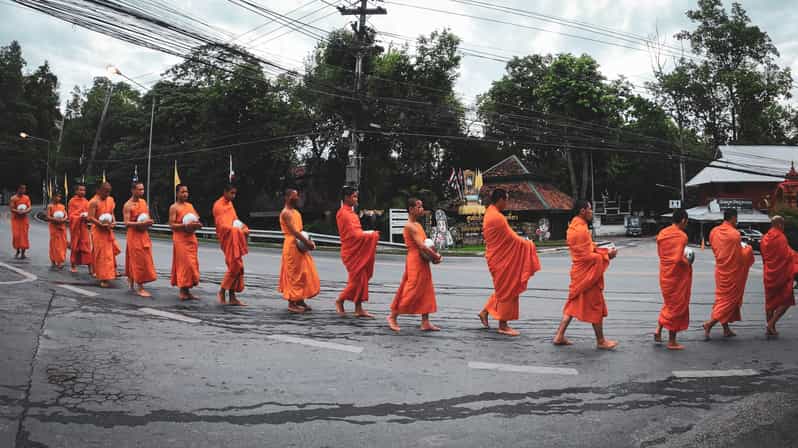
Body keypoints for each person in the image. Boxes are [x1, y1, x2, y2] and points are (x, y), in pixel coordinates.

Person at [553, 200, 619, 350]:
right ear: (582, 211)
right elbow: (589, 257)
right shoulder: (581, 230)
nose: (592, 212)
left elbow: (586, 250)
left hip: (578, 271)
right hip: (587, 273)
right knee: (596, 305)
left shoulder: (573, 227)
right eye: (590, 209)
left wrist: (601, 251)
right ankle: (601, 341)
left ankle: (559, 336)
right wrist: (608, 255)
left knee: (572, 304)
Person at [477, 188, 541, 336]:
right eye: (506, 200)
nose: (507, 203)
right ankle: (503, 324)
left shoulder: (490, 213)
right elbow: (512, 238)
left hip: (496, 257)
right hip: (501, 259)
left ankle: (484, 312)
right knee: (507, 289)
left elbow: (507, 237)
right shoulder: (497, 217)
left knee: (502, 289)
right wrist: (528, 244)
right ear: (500, 200)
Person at [387, 197, 442, 332]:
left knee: (426, 289)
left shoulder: (418, 225)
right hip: (414, 260)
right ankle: (393, 316)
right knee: (411, 290)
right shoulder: (409, 226)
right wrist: (435, 256)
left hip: (422, 260)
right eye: (419, 207)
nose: (421, 209)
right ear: (411, 210)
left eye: (421, 206)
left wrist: (433, 256)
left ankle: (425, 321)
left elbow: (426, 245)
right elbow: (421, 246)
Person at [703, 208, 755, 339]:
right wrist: (748, 250)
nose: (737, 221)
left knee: (722, 299)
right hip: (732, 273)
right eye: (736, 218)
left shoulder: (714, 232)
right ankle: (709, 324)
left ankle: (726, 329)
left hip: (721, 270)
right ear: (733, 218)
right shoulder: (734, 234)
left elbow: (716, 251)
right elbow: (739, 257)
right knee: (729, 302)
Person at [335, 186, 380, 317]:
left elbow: (357, 233)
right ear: (347, 198)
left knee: (362, 279)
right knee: (356, 281)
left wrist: (366, 234)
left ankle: (358, 308)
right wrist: (371, 235)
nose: (356, 199)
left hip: (356, 250)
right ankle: (340, 300)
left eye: (356, 196)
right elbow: (353, 235)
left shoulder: (352, 214)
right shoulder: (343, 213)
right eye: (354, 196)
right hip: (351, 250)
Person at [654, 209, 692, 350]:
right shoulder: (681, 236)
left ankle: (658, 330)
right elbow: (677, 259)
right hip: (676, 276)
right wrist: (686, 263)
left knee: (669, 304)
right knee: (676, 307)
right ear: (683, 220)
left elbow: (661, 254)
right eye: (686, 222)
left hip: (665, 274)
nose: (686, 225)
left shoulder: (662, 233)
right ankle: (672, 341)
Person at [278, 189, 319, 313]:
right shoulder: (286, 213)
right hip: (291, 246)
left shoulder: (296, 212)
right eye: (293, 196)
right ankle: (292, 302)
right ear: (287, 197)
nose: (296, 198)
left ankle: (300, 299)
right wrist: (307, 243)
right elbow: (294, 232)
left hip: (300, 246)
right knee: (294, 274)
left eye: (297, 196)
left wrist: (308, 241)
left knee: (304, 273)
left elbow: (301, 231)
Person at [759, 215, 796, 337]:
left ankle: (770, 327)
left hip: (769, 274)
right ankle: (771, 324)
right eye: (783, 224)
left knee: (769, 302)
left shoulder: (764, 238)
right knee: (786, 300)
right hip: (781, 275)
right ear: (779, 224)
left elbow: (764, 256)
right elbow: (786, 256)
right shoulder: (781, 237)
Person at [212, 185, 249, 306]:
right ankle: (222, 291)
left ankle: (232, 296)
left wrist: (243, 227)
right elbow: (221, 226)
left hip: (234, 237)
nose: (233, 196)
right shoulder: (218, 205)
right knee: (235, 266)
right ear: (225, 192)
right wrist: (237, 230)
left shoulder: (230, 204)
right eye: (231, 193)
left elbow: (235, 220)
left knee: (238, 267)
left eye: (235, 193)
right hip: (227, 238)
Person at [169, 184, 202, 301]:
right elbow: (172, 225)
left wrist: (197, 224)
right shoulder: (174, 207)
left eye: (186, 192)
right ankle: (182, 290)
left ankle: (188, 290)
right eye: (182, 192)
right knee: (184, 264)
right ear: (177, 193)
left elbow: (196, 219)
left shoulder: (190, 206)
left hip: (191, 238)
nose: (185, 194)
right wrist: (185, 225)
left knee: (192, 265)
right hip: (180, 239)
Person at [123, 182, 157, 298]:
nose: (142, 192)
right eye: (139, 189)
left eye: (143, 189)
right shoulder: (128, 205)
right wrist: (141, 223)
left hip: (143, 233)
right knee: (138, 261)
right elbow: (126, 223)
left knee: (138, 259)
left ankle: (132, 282)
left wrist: (148, 223)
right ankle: (140, 287)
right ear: (133, 190)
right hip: (134, 235)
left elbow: (145, 217)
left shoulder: (143, 202)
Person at [88, 182, 120, 288]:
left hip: (108, 230)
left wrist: (113, 222)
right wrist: (101, 224)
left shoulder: (110, 200)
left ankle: (109, 273)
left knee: (109, 254)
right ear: (98, 190)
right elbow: (90, 218)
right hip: (98, 231)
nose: (107, 193)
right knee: (102, 255)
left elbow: (111, 214)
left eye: (109, 191)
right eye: (105, 191)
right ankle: (103, 278)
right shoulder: (93, 202)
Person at [68, 183, 93, 273]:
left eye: (84, 190)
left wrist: (87, 218)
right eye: (80, 190)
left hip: (84, 227)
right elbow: (71, 216)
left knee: (86, 247)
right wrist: (79, 217)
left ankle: (90, 267)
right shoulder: (72, 201)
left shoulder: (86, 201)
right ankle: (73, 265)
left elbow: (89, 214)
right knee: (75, 247)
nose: (83, 192)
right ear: (76, 191)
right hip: (75, 228)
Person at [47, 190, 68, 269]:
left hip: (62, 227)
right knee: (54, 245)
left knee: (62, 245)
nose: (58, 198)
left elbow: (66, 215)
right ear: (53, 197)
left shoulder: (62, 206)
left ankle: (60, 261)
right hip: (54, 227)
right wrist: (55, 220)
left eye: (59, 197)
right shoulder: (50, 206)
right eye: (57, 196)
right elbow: (48, 217)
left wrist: (63, 219)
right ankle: (53, 260)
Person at [9, 184, 31, 259]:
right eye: (22, 189)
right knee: (17, 236)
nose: (23, 190)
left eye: (24, 189)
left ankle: (23, 253)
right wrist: (18, 211)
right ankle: (17, 250)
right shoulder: (13, 198)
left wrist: (25, 211)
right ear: (18, 189)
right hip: (16, 220)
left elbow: (29, 207)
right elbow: (11, 208)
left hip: (24, 220)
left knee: (24, 236)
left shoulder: (26, 198)